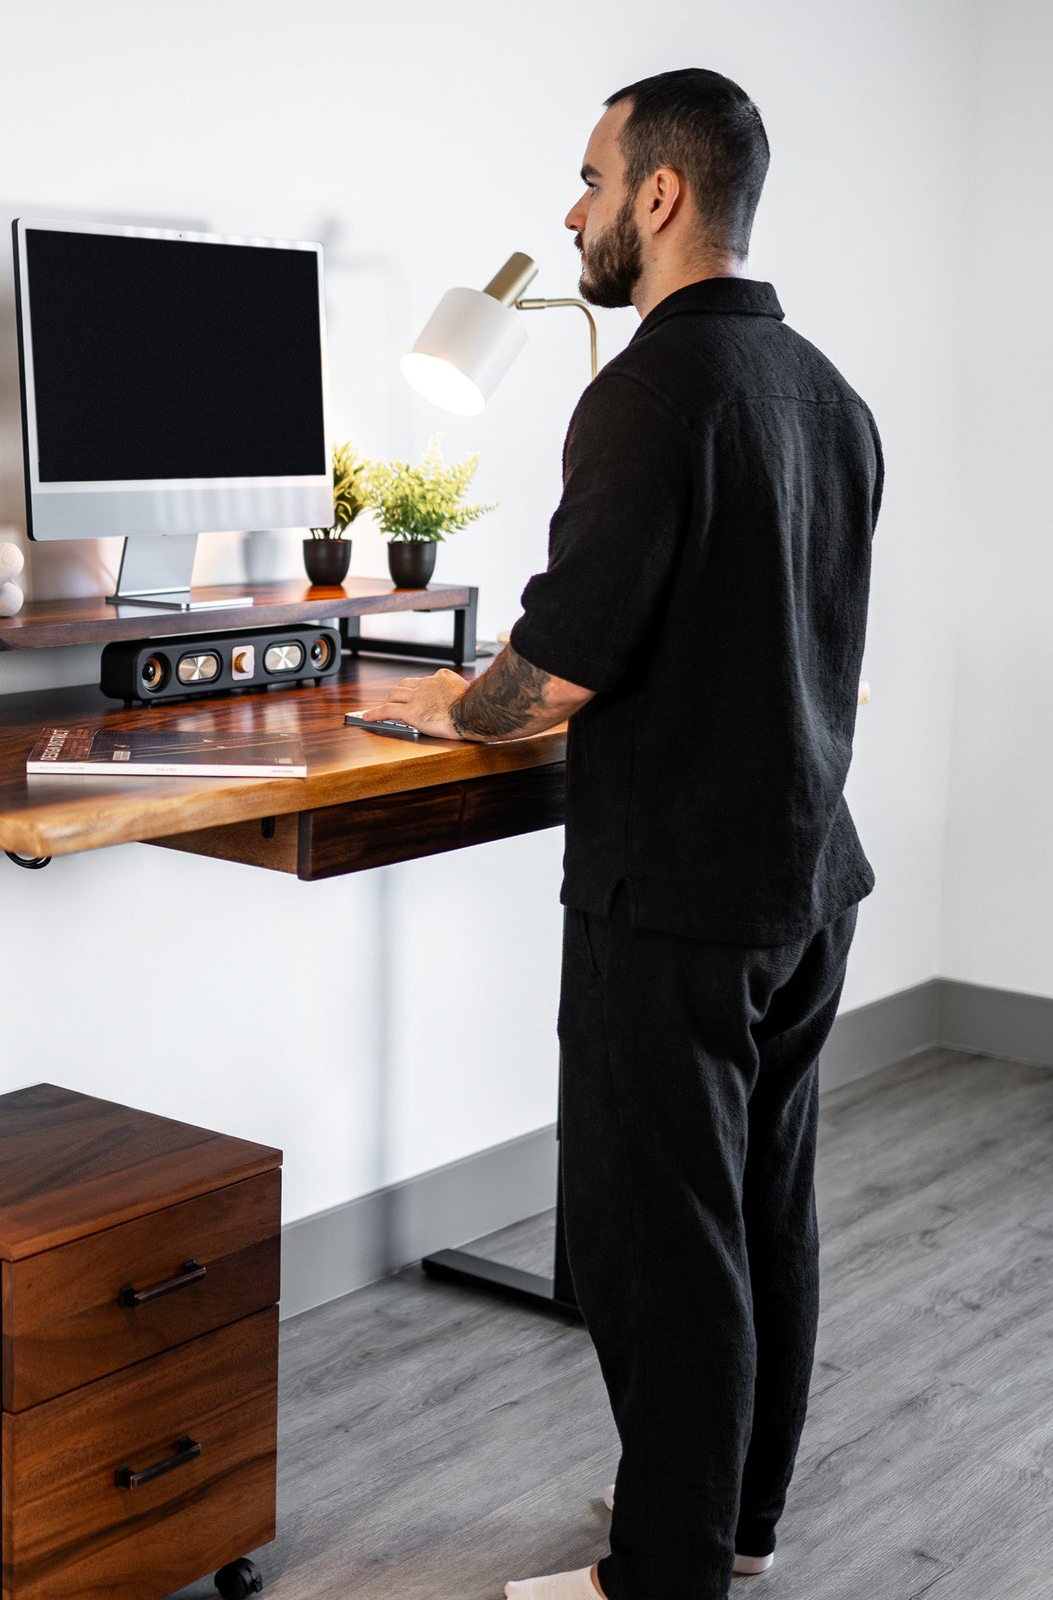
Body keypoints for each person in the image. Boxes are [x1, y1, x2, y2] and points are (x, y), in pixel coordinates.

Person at [361, 68, 882, 1600]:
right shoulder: (826, 393)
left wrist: (450, 709)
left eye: (591, 179)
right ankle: (736, 1522)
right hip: (807, 875)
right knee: (761, 1208)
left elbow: (556, 674)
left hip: (680, 892)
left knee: (657, 1234)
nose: (574, 210)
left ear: (661, 195)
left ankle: (660, 1572)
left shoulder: (651, 394)